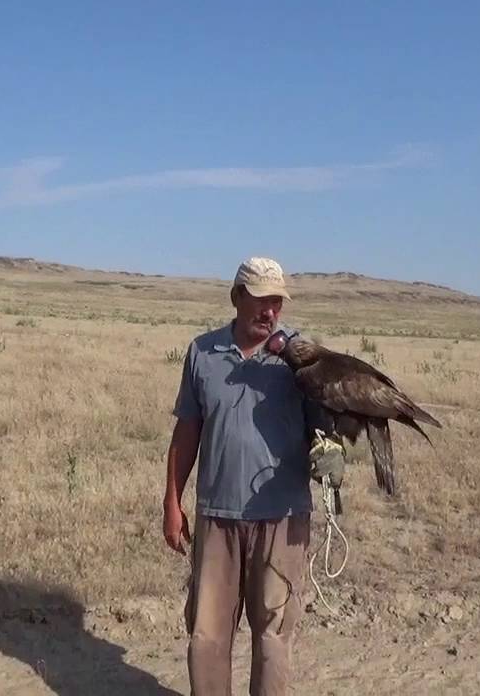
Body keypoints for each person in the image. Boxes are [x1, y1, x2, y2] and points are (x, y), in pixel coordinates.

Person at [162, 256, 345, 695]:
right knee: (207, 634)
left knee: (274, 637)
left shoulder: (302, 357)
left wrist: (331, 452)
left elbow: (328, 427)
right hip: (218, 514)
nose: (270, 312)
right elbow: (187, 429)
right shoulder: (202, 353)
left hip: (282, 517)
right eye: (262, 300)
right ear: (237, 297)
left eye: (277, 302)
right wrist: (172, 501)